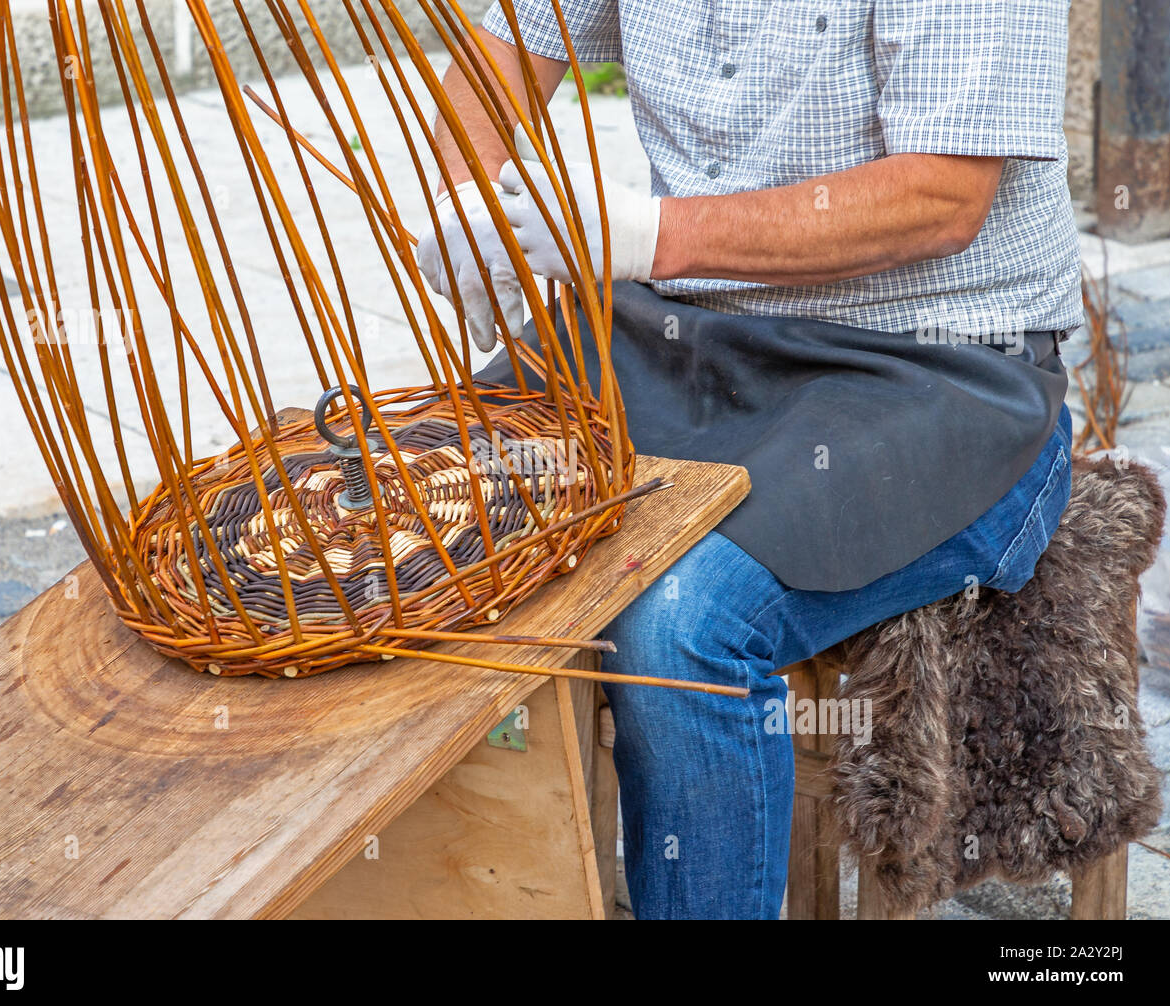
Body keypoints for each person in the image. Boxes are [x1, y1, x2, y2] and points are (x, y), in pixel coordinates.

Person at [417, 0, 1081, 919]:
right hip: (694, 333)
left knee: (678, 624)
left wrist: (647, 237)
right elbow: (497, 71)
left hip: (938, 365)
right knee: (416, 498)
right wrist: (466, 206)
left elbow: (943, 194)